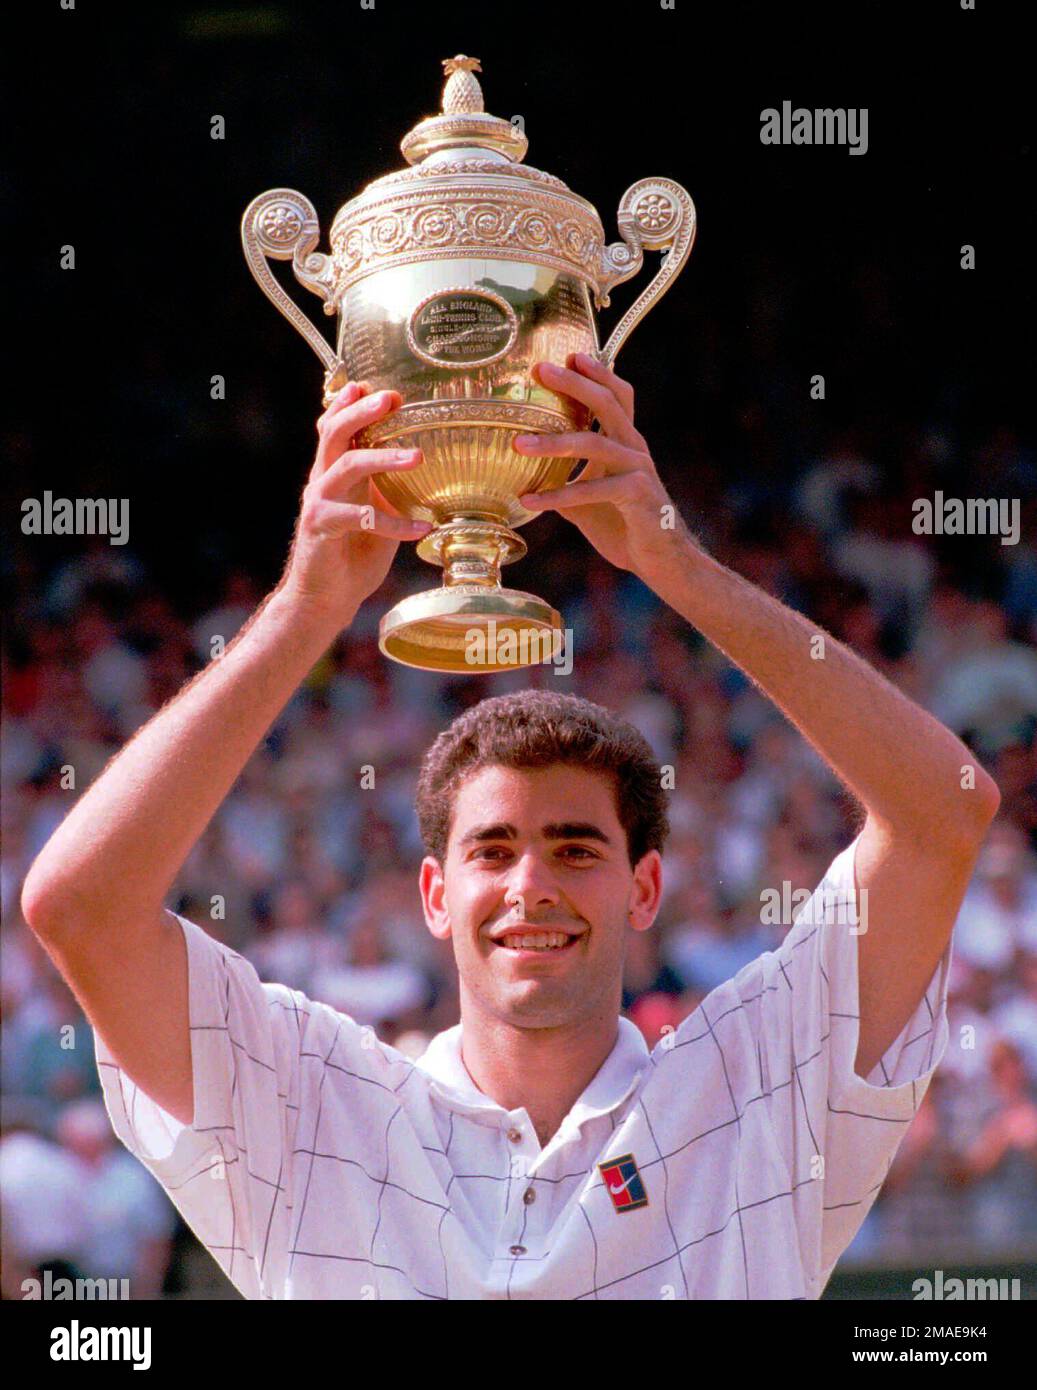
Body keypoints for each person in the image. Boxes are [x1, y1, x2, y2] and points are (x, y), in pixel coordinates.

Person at [21, 359, 1001, 1299]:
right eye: (492, 850)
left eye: (574, 847)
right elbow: (81, 905)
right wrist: (301, 609)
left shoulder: (757, 1088)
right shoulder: (310, 1098)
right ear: (435, 895)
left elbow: (943, 810)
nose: (530, 883)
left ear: (644, 887)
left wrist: (678, 565)